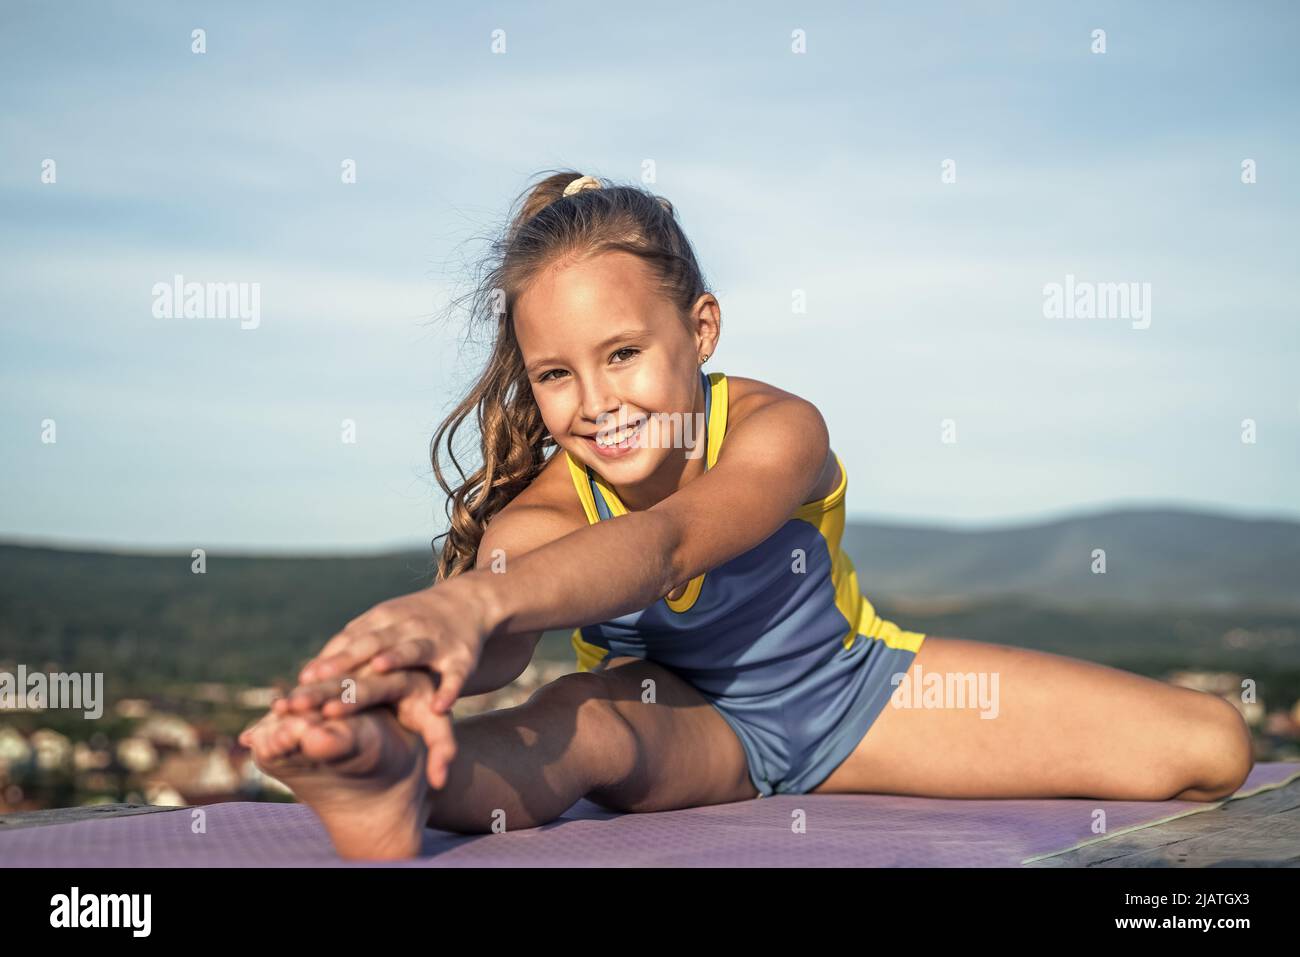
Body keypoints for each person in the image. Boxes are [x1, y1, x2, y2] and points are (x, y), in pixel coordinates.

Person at [238, 171, 1253, 860]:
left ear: (700, 328)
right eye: (555, 374)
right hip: (686, 730)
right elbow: (500, 643)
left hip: (860, 698)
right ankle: (389, 777)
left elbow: (672, 540)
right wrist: (415, 659)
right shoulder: (539, 512)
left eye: (623, 352)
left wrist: (471, 611)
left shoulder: (777, 428)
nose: (595, 402)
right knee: (577, 724)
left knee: (1212, 747)